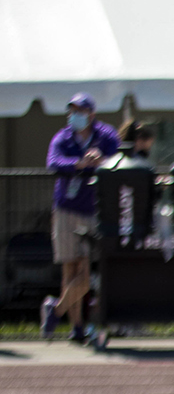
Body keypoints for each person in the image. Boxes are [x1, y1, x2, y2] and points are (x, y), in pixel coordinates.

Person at [46, 93, 120, 342]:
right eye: (72, 110)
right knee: (70, 270)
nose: (75, 115)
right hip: (66, 209)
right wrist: (79, 163)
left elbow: (120, 159)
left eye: (80, 110)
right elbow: (54, 162)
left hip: (95, 209)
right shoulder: (62, 137)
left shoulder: (106, 134)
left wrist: (101, 160)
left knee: (85, 274)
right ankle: (76, 328)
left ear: (91, 113)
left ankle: (55, 310)